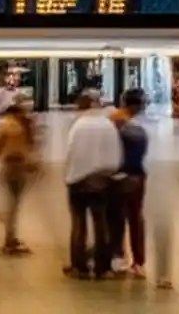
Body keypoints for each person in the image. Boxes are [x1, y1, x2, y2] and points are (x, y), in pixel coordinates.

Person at [62, 91, 122, 280]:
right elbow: (115, 155)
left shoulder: (78, 125)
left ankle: (79, 267)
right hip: (102, 181)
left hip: (78, 181)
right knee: (101, 223)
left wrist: (70, 176)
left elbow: (71, 153)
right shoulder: (107, 124)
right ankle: (103, 268)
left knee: (79, 225)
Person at [108, 89, 149, 277]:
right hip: (135, 175)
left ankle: (117, 256)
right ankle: (138, 261)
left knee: (116, 217)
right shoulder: (131, 124)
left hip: (118, 175)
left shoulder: (114, 121)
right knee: (135, 219)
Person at [0, 95, 36, 255]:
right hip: (15, 167)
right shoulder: (12, 125)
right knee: (13, 205)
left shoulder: (14, 125)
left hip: (13, 166)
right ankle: (9, 240)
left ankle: (11, 237)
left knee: (13, 204)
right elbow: (7, 147)